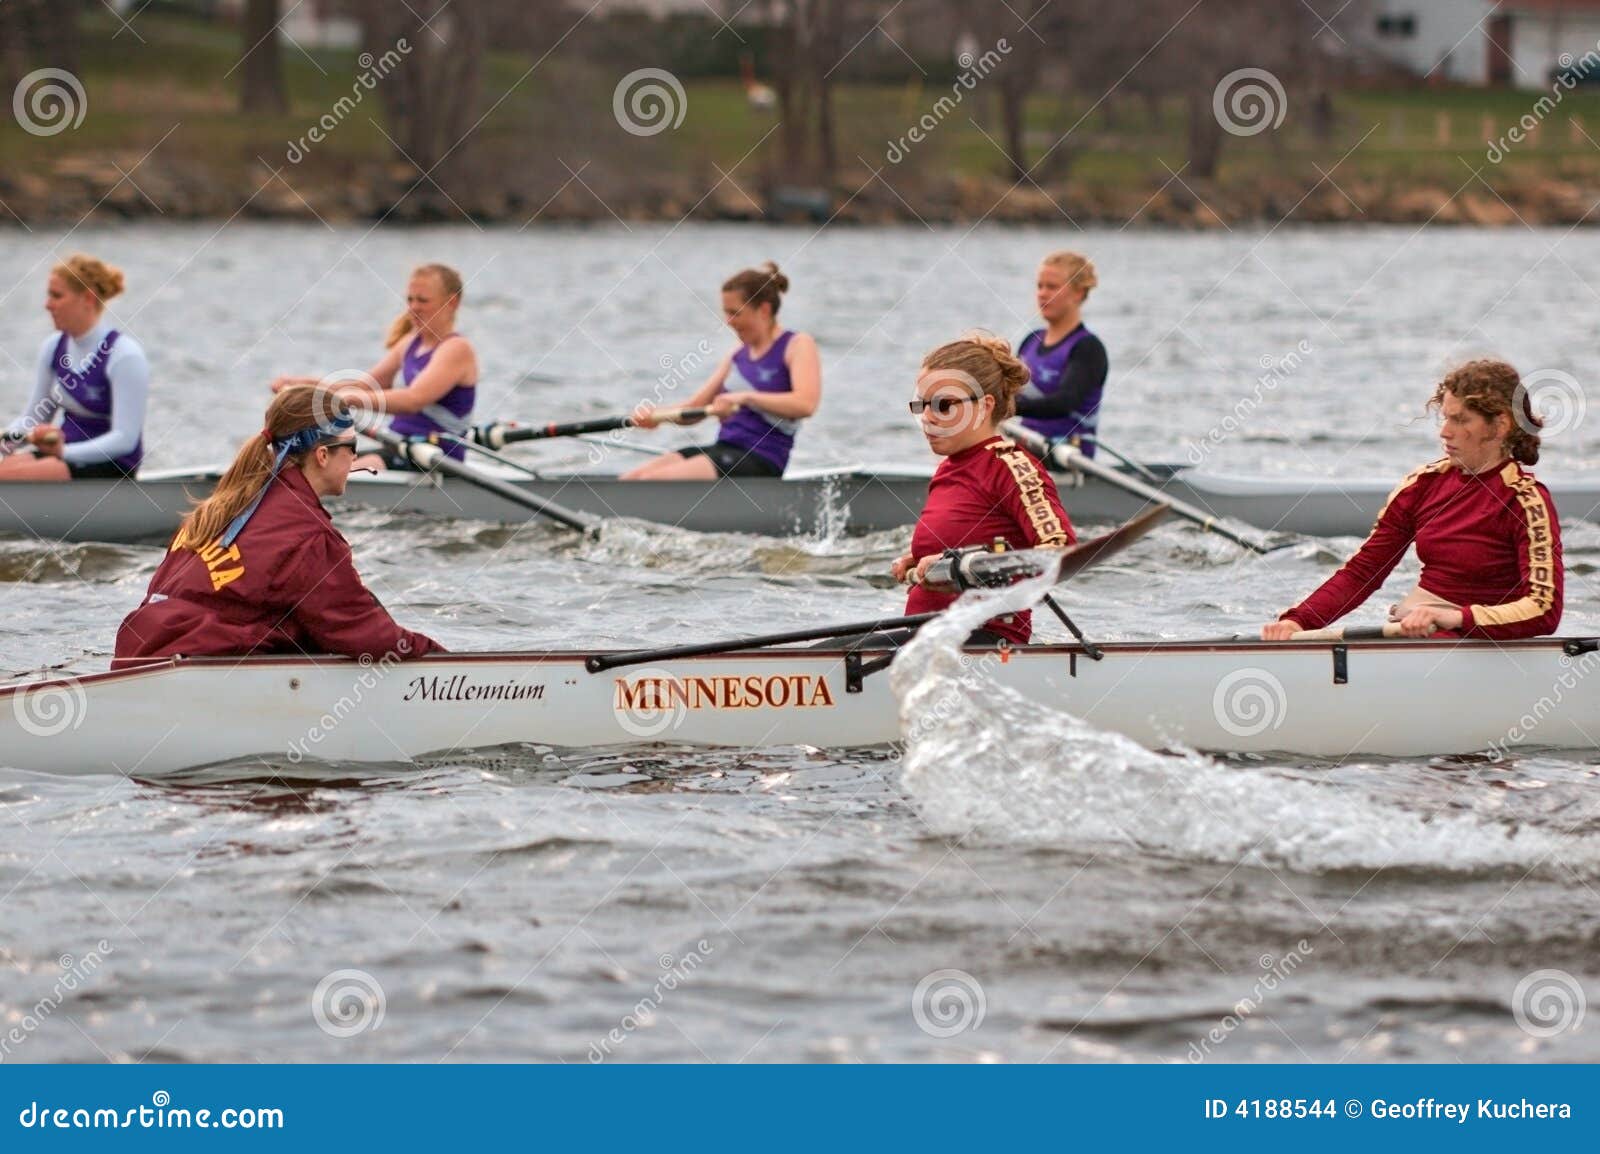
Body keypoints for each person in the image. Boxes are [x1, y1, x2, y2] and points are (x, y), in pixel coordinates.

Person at [114, 385, 442, 663]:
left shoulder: (222, 504)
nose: (355, 459)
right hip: (191, 667)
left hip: (136, 653)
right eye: (351, 448)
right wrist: (439, 660)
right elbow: (364, 633)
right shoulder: (308, 536)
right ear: (323, 455)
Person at [1262, 359, 1562, 642]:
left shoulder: (1526, 502)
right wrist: (1299, 621)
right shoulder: (1423, 485)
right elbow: (1363, 572)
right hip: (1418, 630)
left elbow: (1545, 610)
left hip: (1480, 643)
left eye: (1460, 420)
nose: (1445, 432)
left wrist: (1457, 617)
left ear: (1500, 425)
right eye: (1445, 418)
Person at [892, 334, 1075, 645]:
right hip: (930, 636)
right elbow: (976, 539)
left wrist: (960, 565)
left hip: (987, 642)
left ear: (985, 406)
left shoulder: (1012, 465)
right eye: (922, 405)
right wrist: (920, 558)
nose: (927, 417)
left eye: (943, 404)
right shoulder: (948, 468)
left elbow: (1060, 551)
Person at [624, 261, 821, 479]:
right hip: (725, 449)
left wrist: (746, 398)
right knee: (632, 479)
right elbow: (695, 409)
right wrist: (657, 417)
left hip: (762, 459)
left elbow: (805, 404)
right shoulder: (737, 355)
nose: (728, 321)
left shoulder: (797, 344)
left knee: (652, 482)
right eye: (726, 313)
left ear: (764, 310)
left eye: (735, 313)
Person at [271, 263, 477, 464]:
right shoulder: (410, 343)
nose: (413, 307)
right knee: (308, 460)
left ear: (451, 302)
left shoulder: (456, 349)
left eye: (422, 300)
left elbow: (413, 400)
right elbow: (363, 386)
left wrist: (352, 399)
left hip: (437, 455)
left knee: (347, 467)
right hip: (399, 446)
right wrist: (302, 386)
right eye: (410, 299)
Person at [1, 254, 149, 481]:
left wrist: (64, 452)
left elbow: (124, 439)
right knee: (7, 466)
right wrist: (4, 444)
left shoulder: (125, 355)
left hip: (111, 464)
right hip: (62, 455)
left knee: (8, 475)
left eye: (56, 296)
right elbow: (33, 419)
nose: (47, 304)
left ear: (87, 299)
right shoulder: (53, 348)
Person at [1014, 250, 1108, 458]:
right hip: (1024, 455)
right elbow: (1003, 389)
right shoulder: (1030, 341)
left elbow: (1064, 403)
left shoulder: (1088, 348)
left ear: (1079, 293)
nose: (1042, 293)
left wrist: (1008, 407)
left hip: (1067, 461)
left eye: (1052, 287)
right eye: (1040, 286)